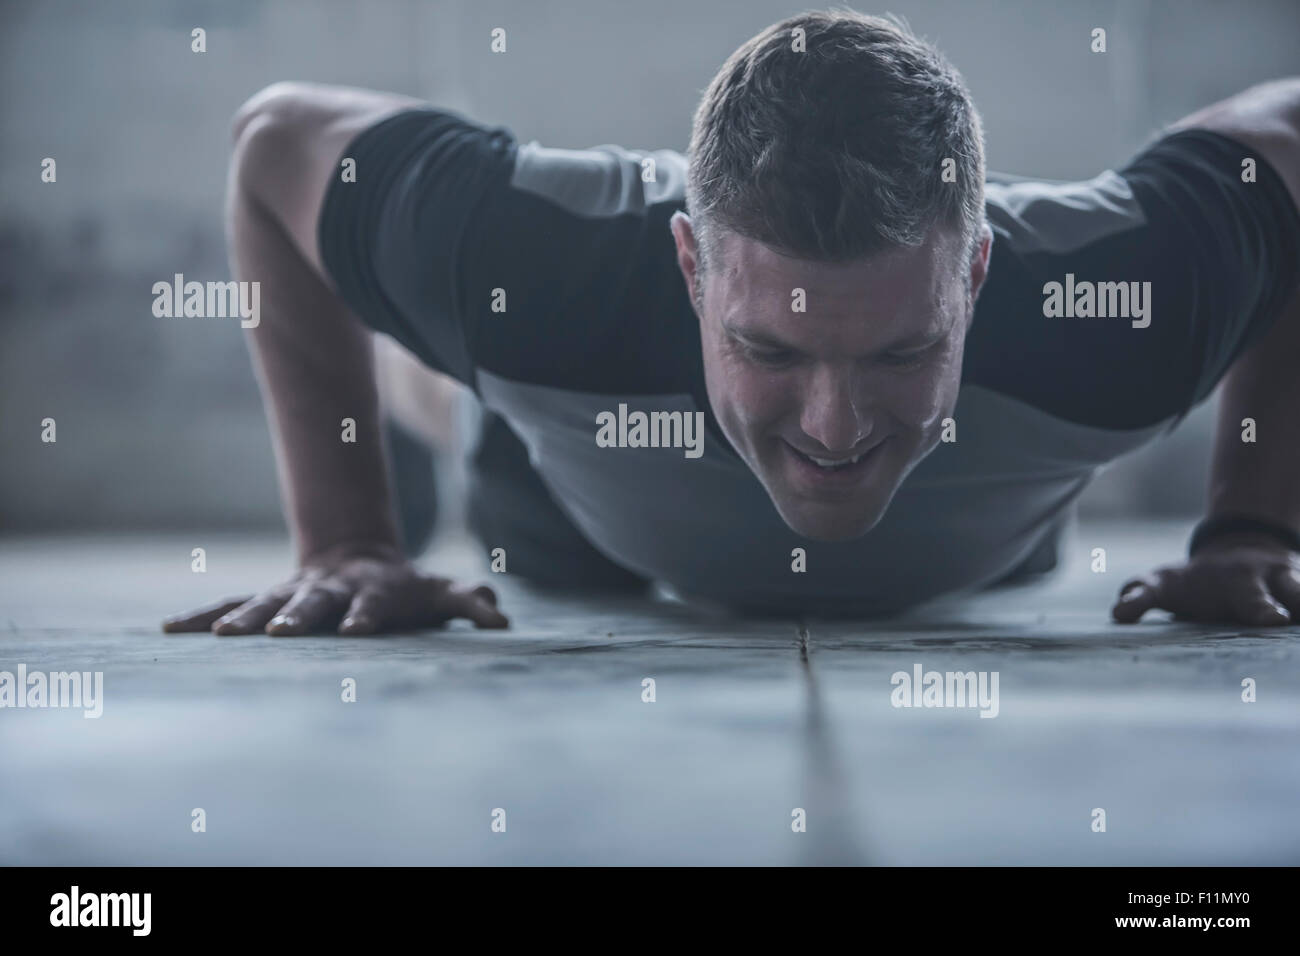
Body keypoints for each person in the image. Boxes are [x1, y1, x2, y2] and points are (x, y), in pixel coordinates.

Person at [163, 10, 1300, 636]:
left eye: (903, 349)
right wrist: (347, 539)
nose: (836, 423)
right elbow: (273, 143)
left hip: (972, 545)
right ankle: (430, 410)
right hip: (571, 509)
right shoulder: (529, 261)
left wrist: (1253, 526)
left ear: (979, 275)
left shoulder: (1119, 303)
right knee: (455, 387)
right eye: (770, 346)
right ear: (690, 268)